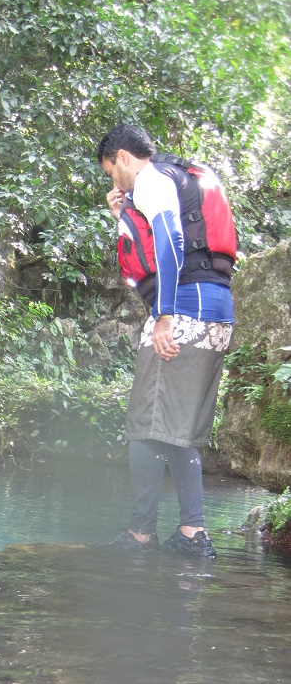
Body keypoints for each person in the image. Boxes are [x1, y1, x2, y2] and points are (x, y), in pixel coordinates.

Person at [97, 123, 236, 559]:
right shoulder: (186, 177)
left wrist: (163, 316)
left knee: (144, 426)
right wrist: (122, 215)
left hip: (183, 312)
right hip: (216, 312)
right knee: (180, 429)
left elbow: (173, 243)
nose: (113, 182)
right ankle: (192, 533)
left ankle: (141, 536)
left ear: (122, 157)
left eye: (110, 172)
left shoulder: (153, 179)